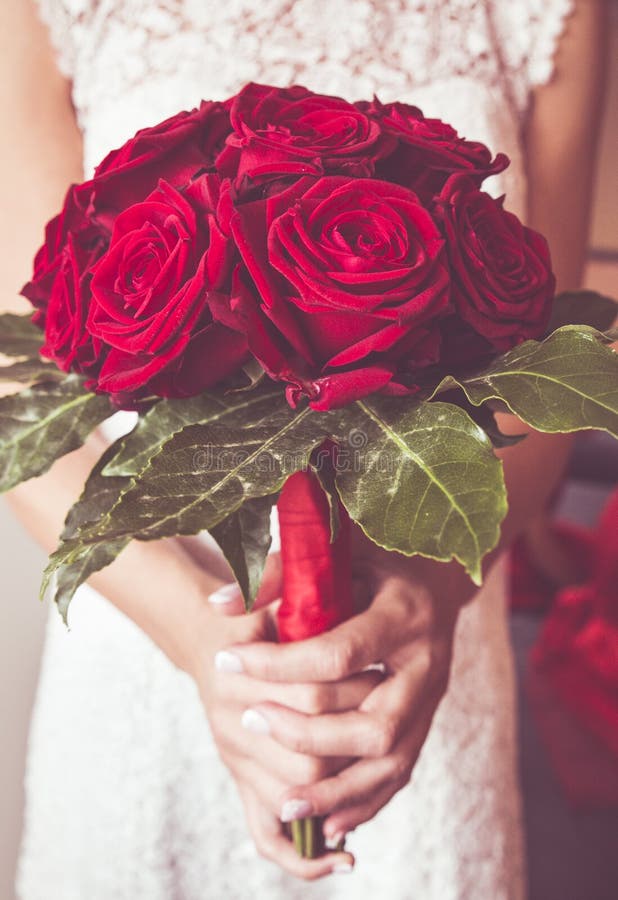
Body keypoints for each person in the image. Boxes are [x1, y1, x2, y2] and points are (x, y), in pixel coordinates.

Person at [1, 0, 607, 897]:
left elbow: (540, 394)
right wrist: (210, 647)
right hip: (152, 624)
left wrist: (427, 594)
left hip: (412, 647)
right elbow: (23, 406)